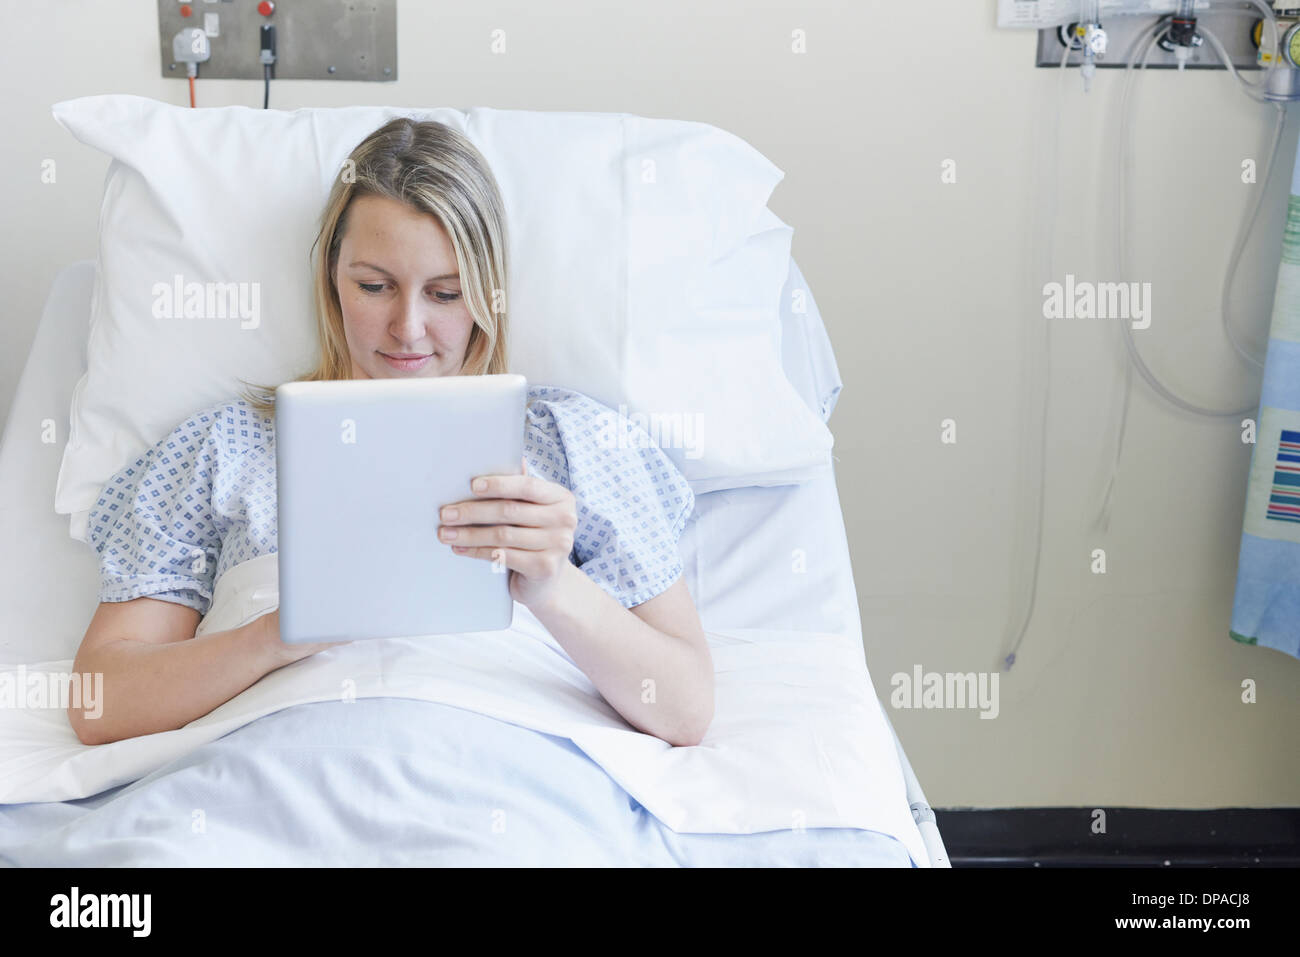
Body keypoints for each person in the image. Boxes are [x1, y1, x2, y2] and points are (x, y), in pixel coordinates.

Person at [68, 118, 713, 748]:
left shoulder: (575, 446)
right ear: (332, 284)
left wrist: (550, 586)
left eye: (445, 293)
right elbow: (100, 702)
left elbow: (685, 709)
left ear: (489, 295)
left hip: (505, 783)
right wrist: (275, 637)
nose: (408, 328)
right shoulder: (225, 450)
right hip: (275, 777)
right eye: (375, 286)